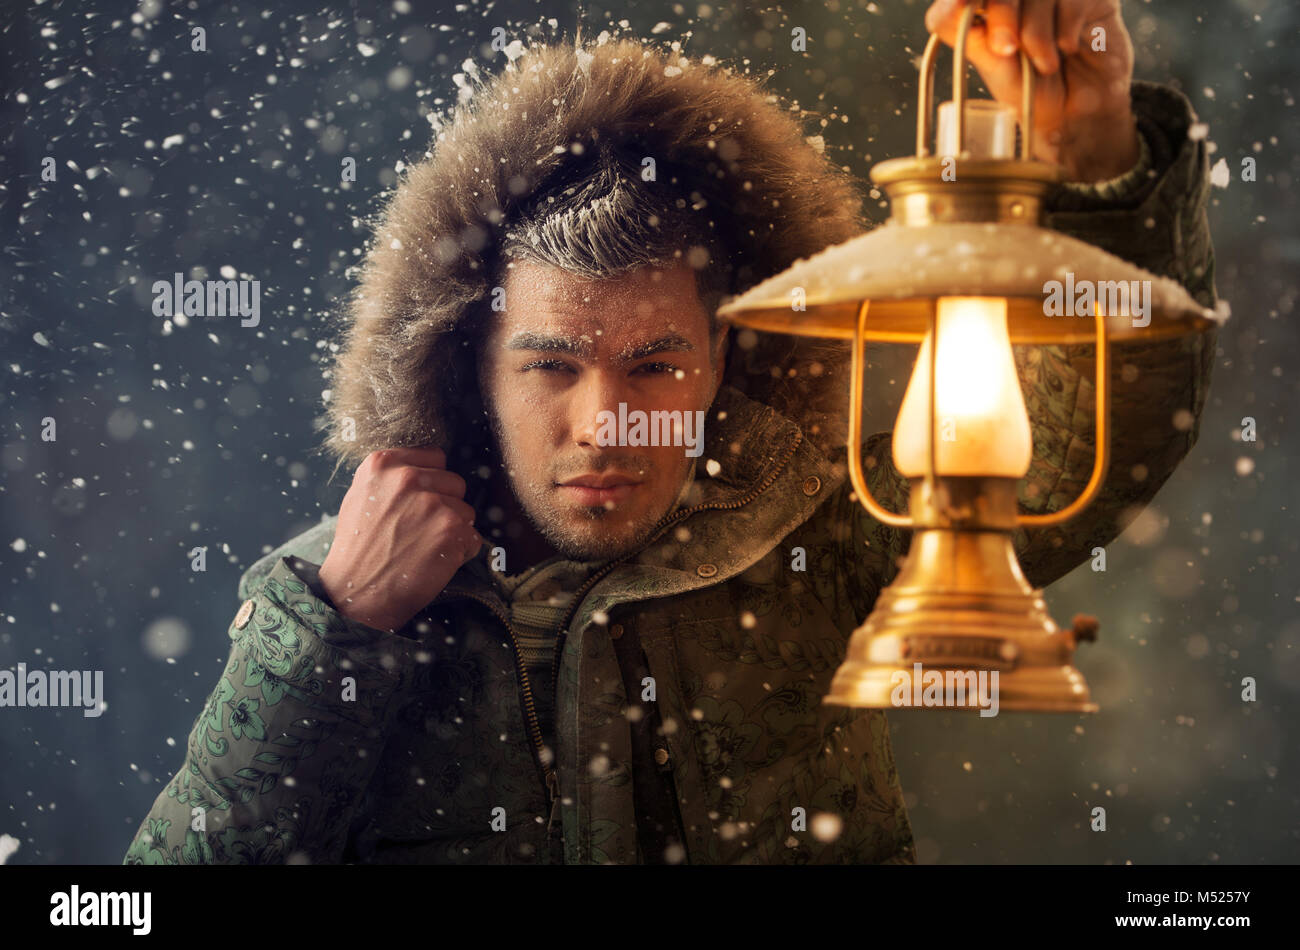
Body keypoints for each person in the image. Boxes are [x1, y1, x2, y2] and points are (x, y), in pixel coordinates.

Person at [125, 1, 1219, 865]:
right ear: (467, 363)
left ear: (725, 362)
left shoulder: (818, 535)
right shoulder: (341, 599)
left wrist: (1091, 168)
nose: (606, 423)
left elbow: (1085, 452)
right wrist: (331, 639)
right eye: (551, 364)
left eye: (655, 364)